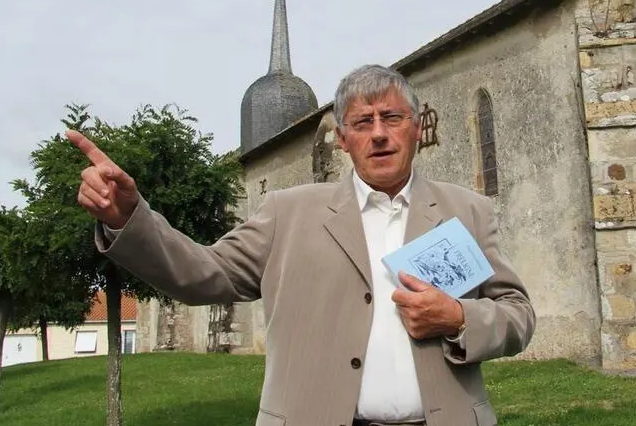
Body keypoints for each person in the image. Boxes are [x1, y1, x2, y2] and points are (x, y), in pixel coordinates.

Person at [69, 64, 535, 426]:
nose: (378, 132)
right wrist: (132, 218)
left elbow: (517, 314)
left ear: (417, 127)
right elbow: (201, 273)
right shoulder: (287, 213)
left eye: (392, 117)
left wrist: (459, 318)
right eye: (362, 121)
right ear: (343, 140)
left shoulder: (467, 211)